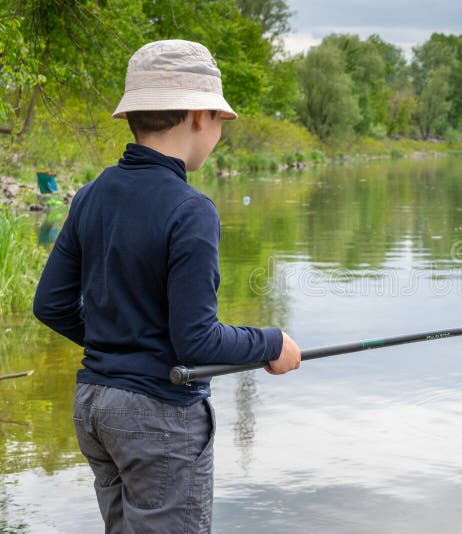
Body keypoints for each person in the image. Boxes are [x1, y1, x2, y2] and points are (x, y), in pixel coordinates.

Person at [32, 39, 301, 533]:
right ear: (200, 116)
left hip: (95, 406)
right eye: (221, 120)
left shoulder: (90, 195)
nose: (219, 130)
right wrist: (271, 342)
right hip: (158, 420)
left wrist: (117, 346)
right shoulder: (190, 210)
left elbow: (50, 305)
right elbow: (197, 342)